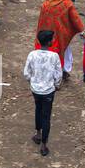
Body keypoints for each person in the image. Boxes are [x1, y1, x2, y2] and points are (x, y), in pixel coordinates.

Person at [24, 29, 63, 157]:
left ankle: (38, 133)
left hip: (35, 89)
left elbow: (26, 73)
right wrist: (57, 86)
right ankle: (44, 145)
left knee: (38, 109)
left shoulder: (32, 54)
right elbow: (58, 75)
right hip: (48, 91)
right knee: (46, 115)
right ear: (49, 41)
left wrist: (32, 81)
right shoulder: (54, 56)